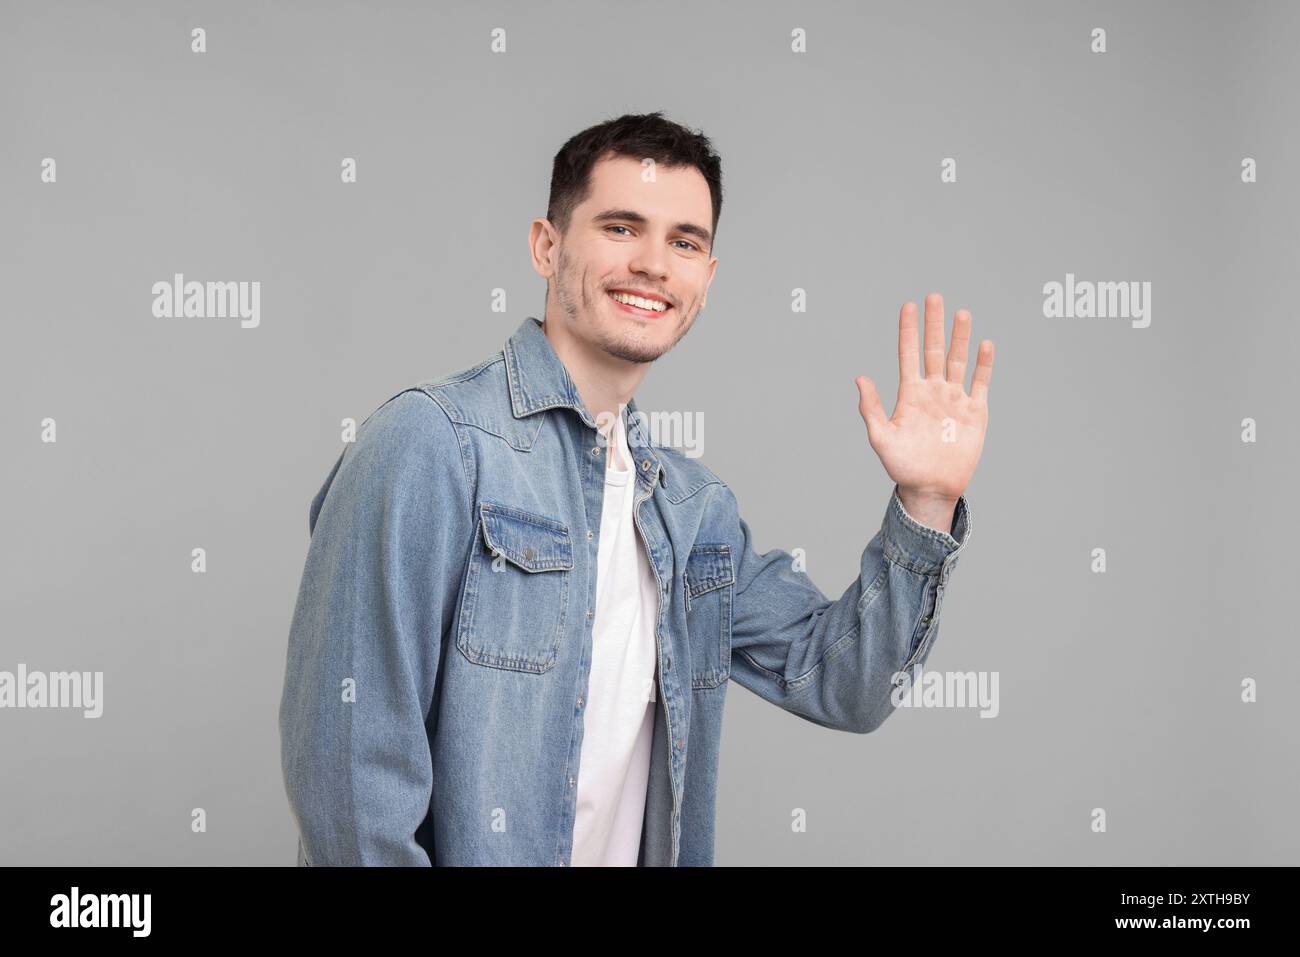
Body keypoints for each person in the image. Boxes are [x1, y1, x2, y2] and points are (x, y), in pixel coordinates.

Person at [278, 111, 994, 867]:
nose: (655, 263)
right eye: (622, 227)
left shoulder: (692, 511)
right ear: (546, 246)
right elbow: (351, 790)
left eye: (685, 241)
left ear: (706, 280)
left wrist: (926, 502)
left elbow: (843, 684)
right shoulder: (430, 444)